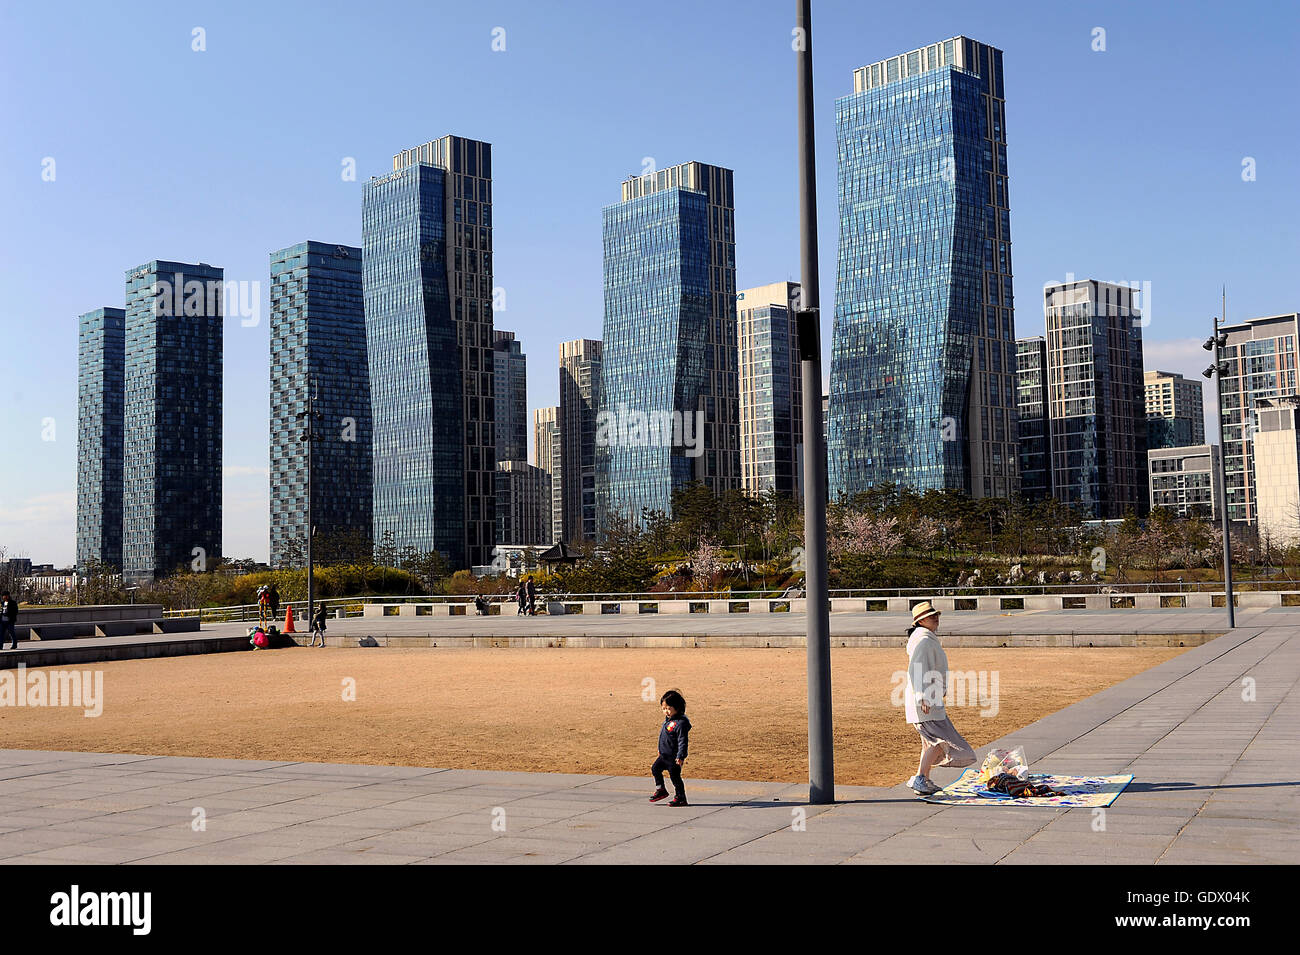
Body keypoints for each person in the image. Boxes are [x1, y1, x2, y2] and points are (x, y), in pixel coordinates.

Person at [904, 601, 977, 796]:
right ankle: (920, 778)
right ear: (920, 621)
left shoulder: (925, 638)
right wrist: (923, 696)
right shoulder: (924, 640)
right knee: (939, 741)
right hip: (925, 701)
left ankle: (923, 779)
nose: (935, 618)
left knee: (930, 743)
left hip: (928, 699)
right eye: (930, 616)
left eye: (936, 615)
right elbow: (916, 670)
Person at [649, 689, 691, 806]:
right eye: (663, 708)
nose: (666, 711)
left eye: (668, 708)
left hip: (674, 757)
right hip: (664, 755)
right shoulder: (668, 721)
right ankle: (661, 789)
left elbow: (683, 741)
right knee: (655, 769)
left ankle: (680, 797)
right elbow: (664, 737)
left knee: (675, 778)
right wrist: (660, 749)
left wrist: (681, 756)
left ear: (677, 707)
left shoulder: (681, 723)